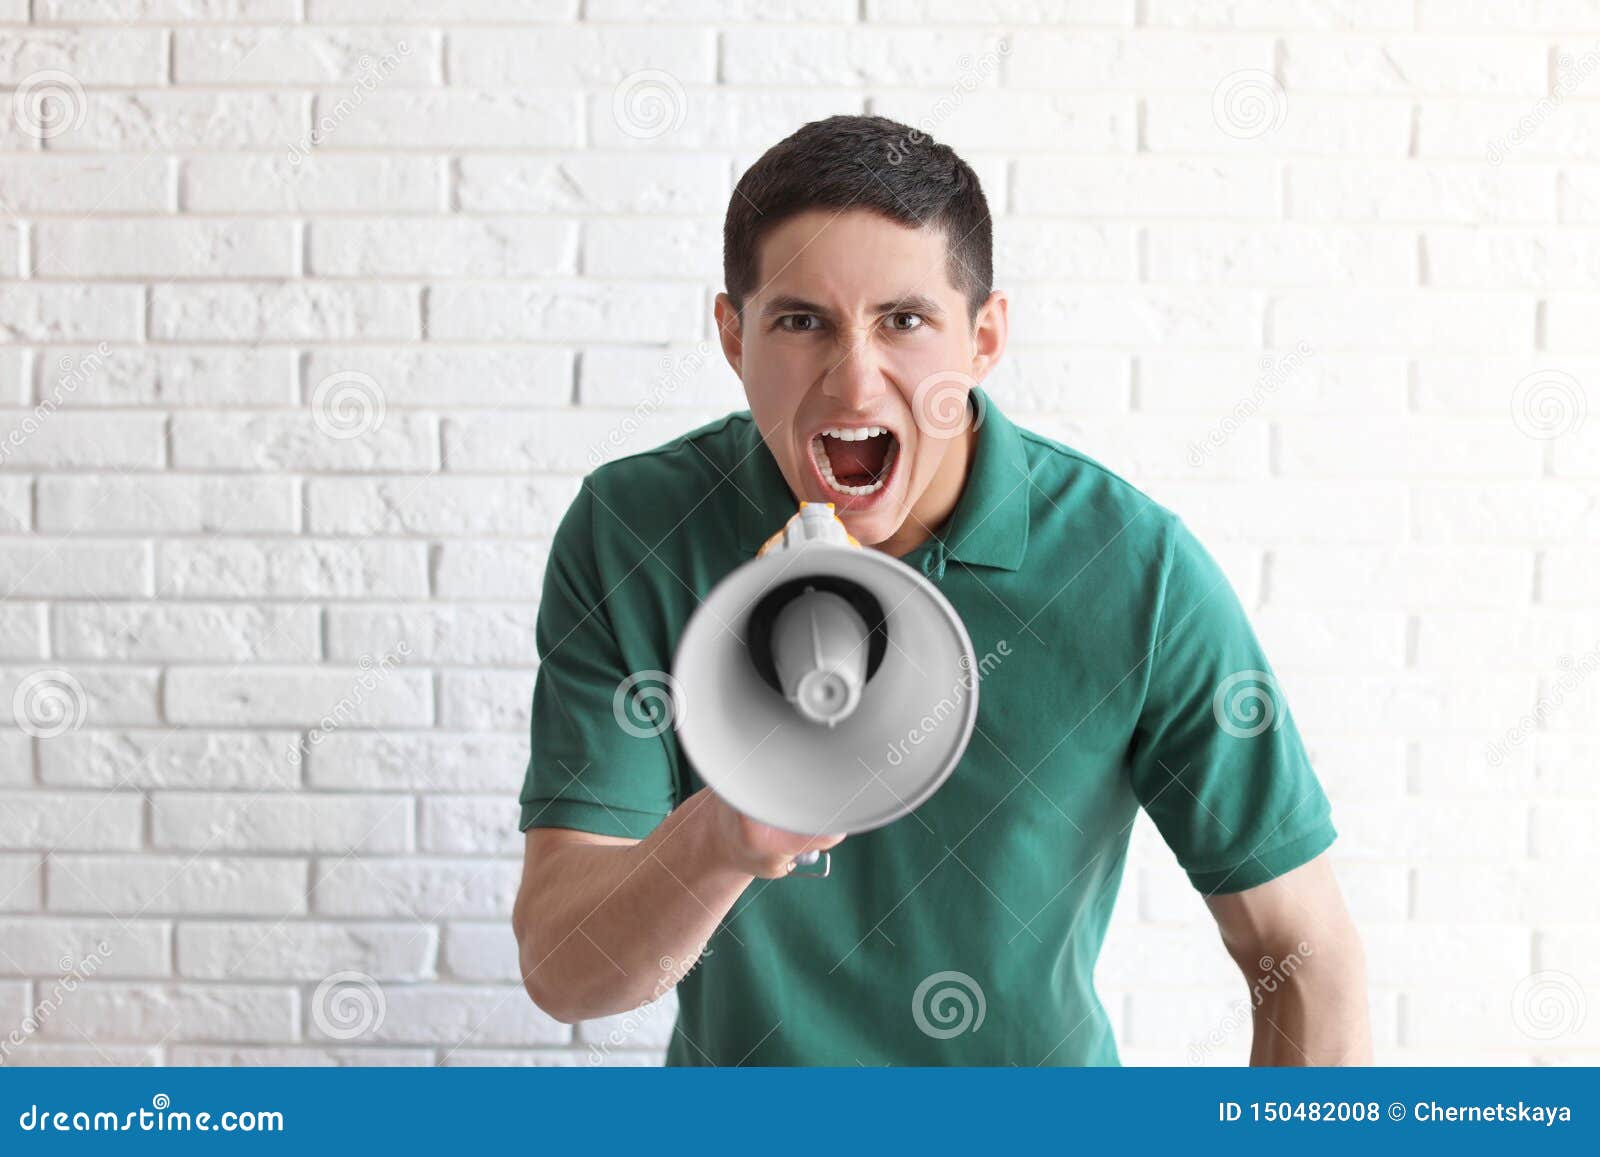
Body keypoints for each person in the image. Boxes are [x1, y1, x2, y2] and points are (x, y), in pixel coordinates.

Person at [511, 114, 1371, 1066]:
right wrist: (722, 832)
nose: (855, 382)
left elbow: (1302, 948)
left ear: (985, 335)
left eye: (905, 321)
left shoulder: (1134, 567)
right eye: (801, 322)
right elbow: (564, 969)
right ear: (731, 334)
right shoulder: (636, 531)